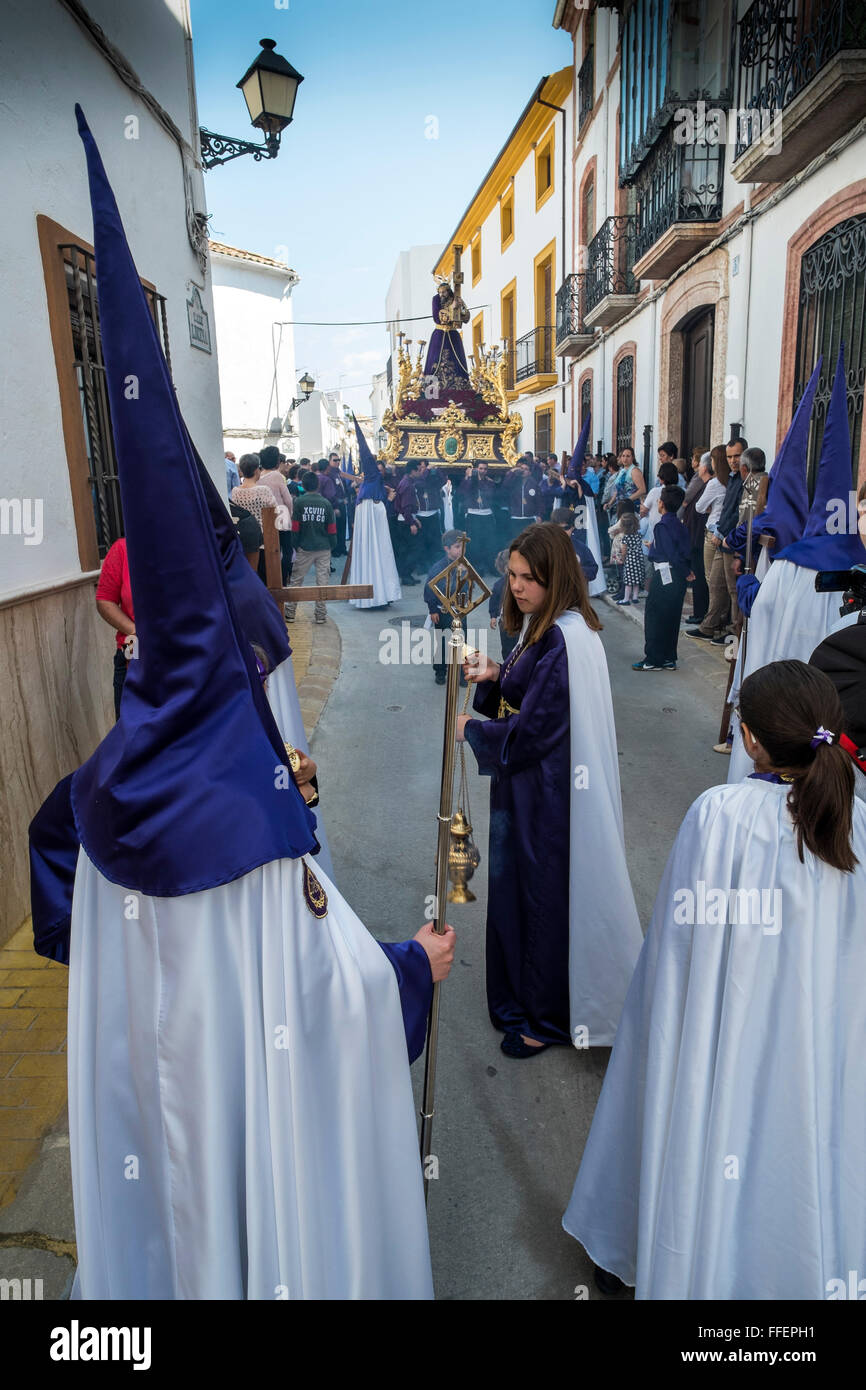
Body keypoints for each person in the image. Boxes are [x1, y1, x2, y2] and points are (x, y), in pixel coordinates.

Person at [29, 107, 451, 1302]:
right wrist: (412, 967)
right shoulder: (246, 827)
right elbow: (319, 1010)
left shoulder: (104, 785)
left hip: (148, 1133)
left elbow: (53, 871)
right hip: (244, 1135)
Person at [564, 659, 866, 1299]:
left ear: (750, 738)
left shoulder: (720, 815)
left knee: (706, 1110)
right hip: (820, 1040)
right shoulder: (856, 820)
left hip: (726, 1026)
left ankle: (683, 1256)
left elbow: (679, 953)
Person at [456, 523, 643, 1056]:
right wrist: (496, 674)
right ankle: (525, 998)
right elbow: (529, 691)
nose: (517, 587)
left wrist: (470, 729)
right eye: (512, 575)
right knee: (521, 893)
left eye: (528, 578)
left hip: (548, 795)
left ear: (555, 577)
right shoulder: (551, 624)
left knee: (540, 897)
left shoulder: (563, 635)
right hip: (533, 790)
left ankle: (545, 1019)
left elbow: (535, 731)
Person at [632, 485, 693, 672]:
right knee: (672, 617)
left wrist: (685, 571)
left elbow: (670, 554)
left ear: (661, 503)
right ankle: (668, 657)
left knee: (654, 615)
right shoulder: (681, 525)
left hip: (666, 573)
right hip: (678, 576)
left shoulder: (662, 525)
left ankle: (653, 658)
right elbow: (681, 551)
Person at [346, 415, 401, 610]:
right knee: (379, 552)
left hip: (375, 515)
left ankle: (379, 594)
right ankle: (379, 594)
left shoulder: (366, 493)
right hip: (375, 515)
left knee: (378, 552)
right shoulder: (370, 491)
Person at [686, 445, 729, 639]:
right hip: (722, 532)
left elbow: (700, 507)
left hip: (712, 533)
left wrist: (709, 509)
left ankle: (711, 622)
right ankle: (716, 620)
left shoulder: (714, 483)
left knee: (712, 580)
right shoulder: (730, 481)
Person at [285, 471, 337, 625]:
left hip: (304, 547)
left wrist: (296, 544)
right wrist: (331, 546)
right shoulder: (326, 503)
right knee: (322, 581)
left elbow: (295, 528)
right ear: (318, 485)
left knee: (296, 580)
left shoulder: (299, 502)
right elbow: (332, 529)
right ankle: (320, 614)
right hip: (323, 548)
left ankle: (290, 613)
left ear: (303, 485)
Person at [95, 536, 135, 719]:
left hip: (177, 650)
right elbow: (105, 600)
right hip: (133, 643)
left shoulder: (184, 548)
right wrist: (134, 630)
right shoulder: (123, 549)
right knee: (129, 725)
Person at [424, 530, 468, 686]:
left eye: (462, 546)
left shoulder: (464, 565)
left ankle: (462, 673)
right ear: (447, 549)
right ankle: (440, 671)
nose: (460, 550)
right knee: (442, 642)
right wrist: (432, 610)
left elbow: (468, 586)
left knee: (462, 641)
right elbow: (430, 589)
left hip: (460, 610)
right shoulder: (438, 568)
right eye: (457, 547)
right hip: (442, 611)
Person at [258, 444, 294, 582]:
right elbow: (288, 499)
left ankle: (272, 577)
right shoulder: (277, 476)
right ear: (277, 461)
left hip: (265, 518)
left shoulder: (259, 477)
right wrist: (290, 513)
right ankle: (283, 578)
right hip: (282, 516)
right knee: (287, 551)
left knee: (272, 550)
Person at [457, 462, 498, 574]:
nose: (482, 471)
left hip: (486, 514)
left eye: (485, 469)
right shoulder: (468, 480)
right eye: (480, 468)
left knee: (489, 542)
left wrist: (479, 481)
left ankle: (491, 566)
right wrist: (469, 478)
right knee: (475, 543)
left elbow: (491, 494)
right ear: (476, 469)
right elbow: (462, 493)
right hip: (473, 514)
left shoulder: (489, 482)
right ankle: (476, 568)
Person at [391, 460, 423, 585]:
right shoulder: (407, 485)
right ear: (412, 471)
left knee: (408, 549)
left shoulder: (407, 482)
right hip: (405, 522)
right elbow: (406, 507)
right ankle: (405, 575)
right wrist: (411, 523)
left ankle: (407, 574)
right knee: (411, 549)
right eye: (419, 470)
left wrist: (414, 519)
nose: (421, 472)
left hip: (406, 519)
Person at [550, 507, 598, 586]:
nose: (562, 532)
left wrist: (575, 571)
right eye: (558, 528)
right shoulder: (546, 546)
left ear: (573, 527)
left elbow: (593, 569)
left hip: (575, 593)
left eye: (566, 528)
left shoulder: (581, 548)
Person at [487, 548, 518, 663]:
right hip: (505, 622)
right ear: (503, 568)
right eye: (508, 568)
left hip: (521, 621)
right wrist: (493, 616)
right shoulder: (499, 585)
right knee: (507, 649)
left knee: (520, 648)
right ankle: (507, 667)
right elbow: (493, 601)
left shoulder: (522, 582)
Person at [231, 454, 277, 528]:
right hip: (263, 534)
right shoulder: (264, 490)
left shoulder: (235, 491)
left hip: (245, 534)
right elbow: (274, 513)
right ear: (256, 470)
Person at [614, 511, 643, 605]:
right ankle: (635, 598)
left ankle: (626, 599)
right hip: (639, 559)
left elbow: (624, 551)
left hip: (630, 561)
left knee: (628, 581)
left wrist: (622, 559)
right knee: (636, 580)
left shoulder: (626, 538)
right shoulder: (638, 535)